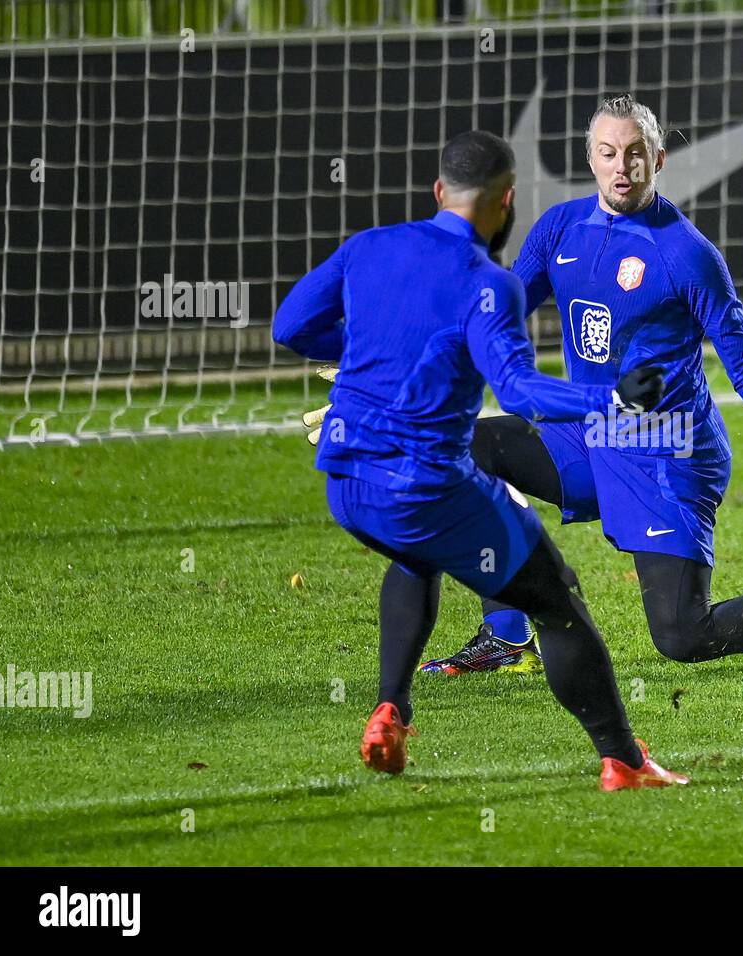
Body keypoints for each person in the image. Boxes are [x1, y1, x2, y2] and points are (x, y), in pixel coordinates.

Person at [377, 96, 743, 678]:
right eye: (608, 153)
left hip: (668, 450)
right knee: (465, 449)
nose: (621, 167)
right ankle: (506, 636)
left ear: (657, 159)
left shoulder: (685, 254)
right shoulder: (560, 228)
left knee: (684, 634)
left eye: (635, 154)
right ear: (591, 160)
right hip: (589, 435)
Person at [274, 129, 687, 791]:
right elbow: (519, 390)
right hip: (426, 489)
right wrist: (611, 398)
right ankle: (625, 762)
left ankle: (390, 709)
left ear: (439, 192)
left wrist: (369, 349)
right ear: (506, 205)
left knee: (416, 553)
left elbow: (288, 327)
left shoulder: (369, 247)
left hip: (347, 485)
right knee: (556, 600)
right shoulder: (489, 284)